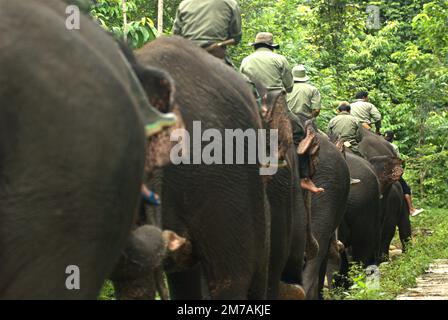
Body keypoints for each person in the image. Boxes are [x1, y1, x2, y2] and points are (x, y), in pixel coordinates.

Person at [241, 33, 323, 194]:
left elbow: (243, 84)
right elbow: (289, 86)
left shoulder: (246, 60)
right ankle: (304, 178)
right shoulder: (279, 59)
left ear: (255, 46)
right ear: (272, 46)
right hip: (276, 104)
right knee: (300, 132)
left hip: (253, 105)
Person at [172, 0, 242, 64]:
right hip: (216, 55)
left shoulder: (184, 4)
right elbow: (236, 37)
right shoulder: (230, 3)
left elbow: (176, 36)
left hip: (188, 55)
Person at [384, 131, 424, 217]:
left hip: (380, 169)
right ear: (392, 138)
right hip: (391, 170)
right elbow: (397, 159)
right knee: (406, 188)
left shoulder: (378, 145)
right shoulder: (394, 146)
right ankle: (411, 209)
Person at [327, 102, 362, 185]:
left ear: (339, 111)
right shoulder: (355, 120)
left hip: (336, 145)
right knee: (363, 159)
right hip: (351, 145)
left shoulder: (333, 120)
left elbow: (328, 134)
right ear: (349, 110)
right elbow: (359, 136)